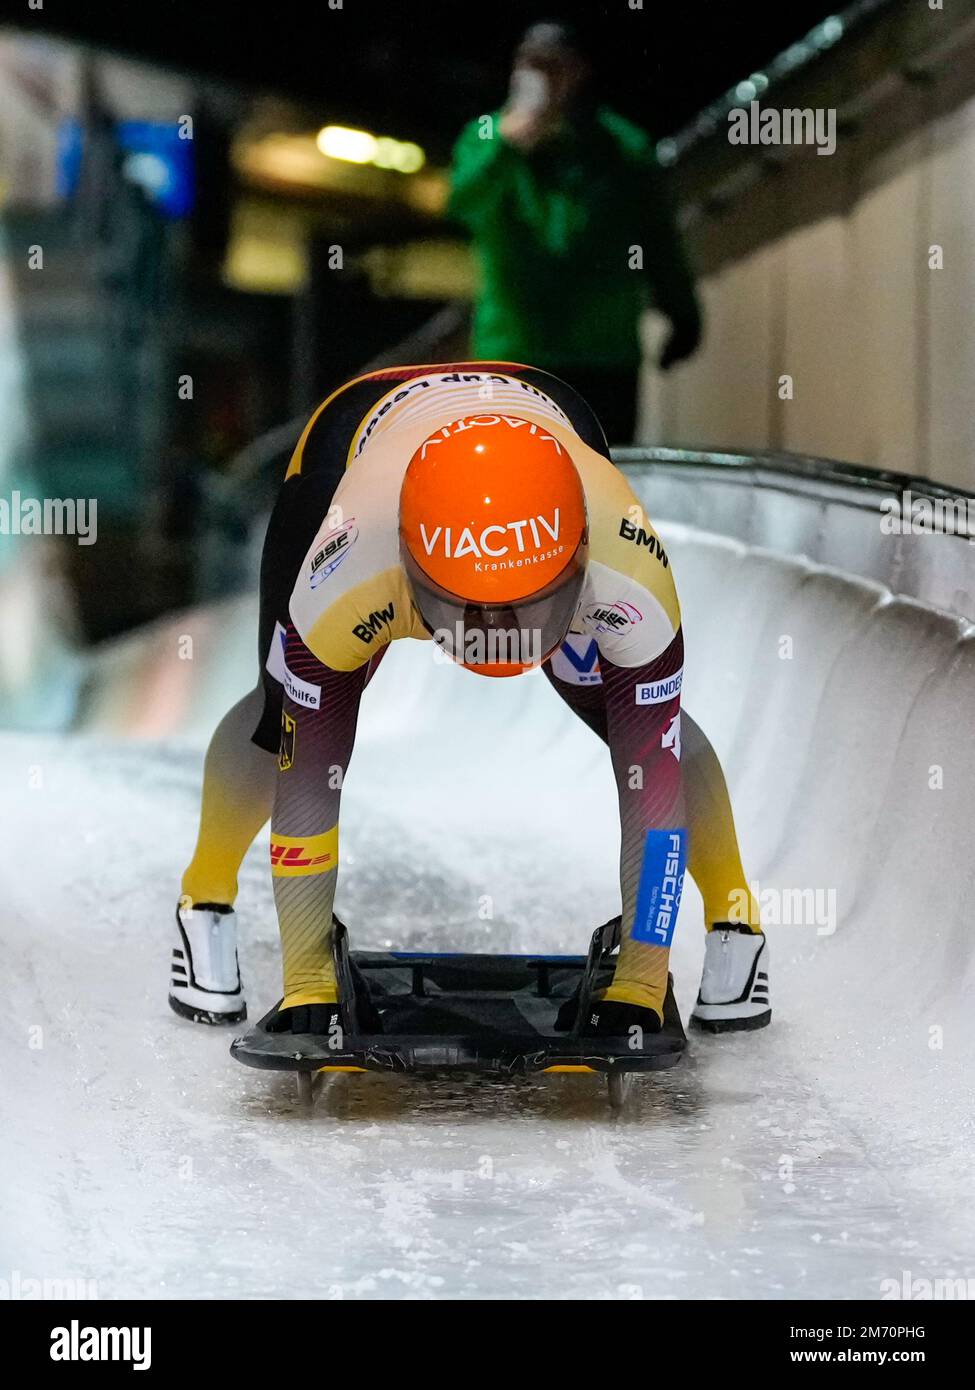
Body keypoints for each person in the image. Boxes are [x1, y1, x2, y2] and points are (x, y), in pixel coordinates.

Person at [171, 363, 768, 1040]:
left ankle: (735, 916)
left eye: (524, 610)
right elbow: (307, 772)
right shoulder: (347, 571)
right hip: (351, 443)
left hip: (547, 439)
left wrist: (640, 980)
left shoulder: (625, 571)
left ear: (577, 557)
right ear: (408, 569)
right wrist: (306, 979)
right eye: (468, 614)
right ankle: (205, 900)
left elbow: (651, 775)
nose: (494, 639)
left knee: (631, 721)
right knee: (278, 716)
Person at [447, 21, 702, 443]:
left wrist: (682, 311)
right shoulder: (486, 137)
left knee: (601, 483)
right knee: (512, 484)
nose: (541, 77)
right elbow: (461, 205)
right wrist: (507, 147)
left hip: (602, 357)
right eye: (530, 64)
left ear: (579, 72)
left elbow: (657, 238)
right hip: (514, 356)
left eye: (554, 65)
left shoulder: (622, 148)